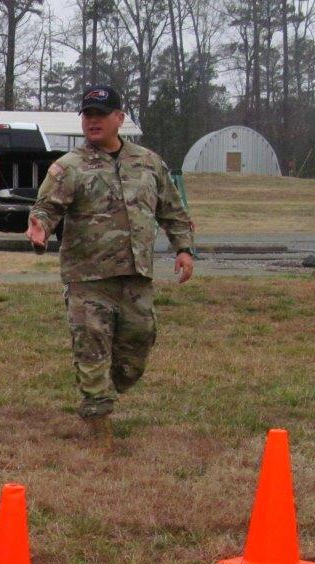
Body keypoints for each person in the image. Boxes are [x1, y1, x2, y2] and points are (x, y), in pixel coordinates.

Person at [26, 85, 195, 446]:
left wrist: (184, 249)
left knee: (137, 348)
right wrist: (39, 226)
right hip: (88, 278)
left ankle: (107, 390)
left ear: (119, 118)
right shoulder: (68, 167)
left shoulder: (148, 163)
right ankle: (98, 422)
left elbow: (173, 210)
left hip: (136, 277)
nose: (93, 122)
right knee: (91, 349)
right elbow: (47, 208)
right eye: (88, 115)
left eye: (101, 115)